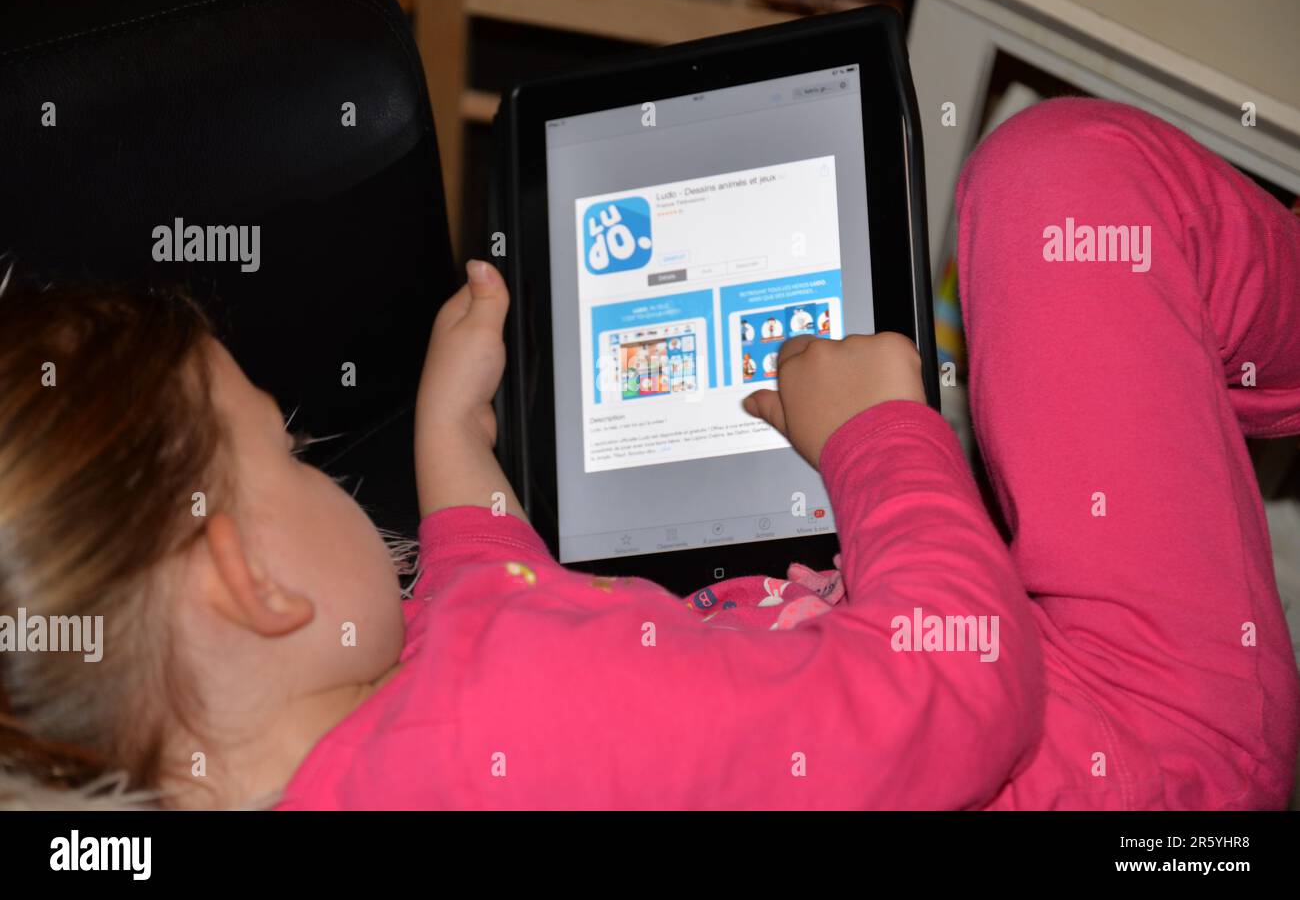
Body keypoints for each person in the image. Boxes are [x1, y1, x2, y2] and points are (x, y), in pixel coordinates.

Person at [0, 99, 1295, 808]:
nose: (319, 463)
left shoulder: (331, 762)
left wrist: (454, 449)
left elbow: (477, 645)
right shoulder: (533, 720)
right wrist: (879, 437)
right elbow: (961, 693)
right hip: (1125, 743)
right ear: (250, 578)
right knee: (1060, 179)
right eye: (281, 449)